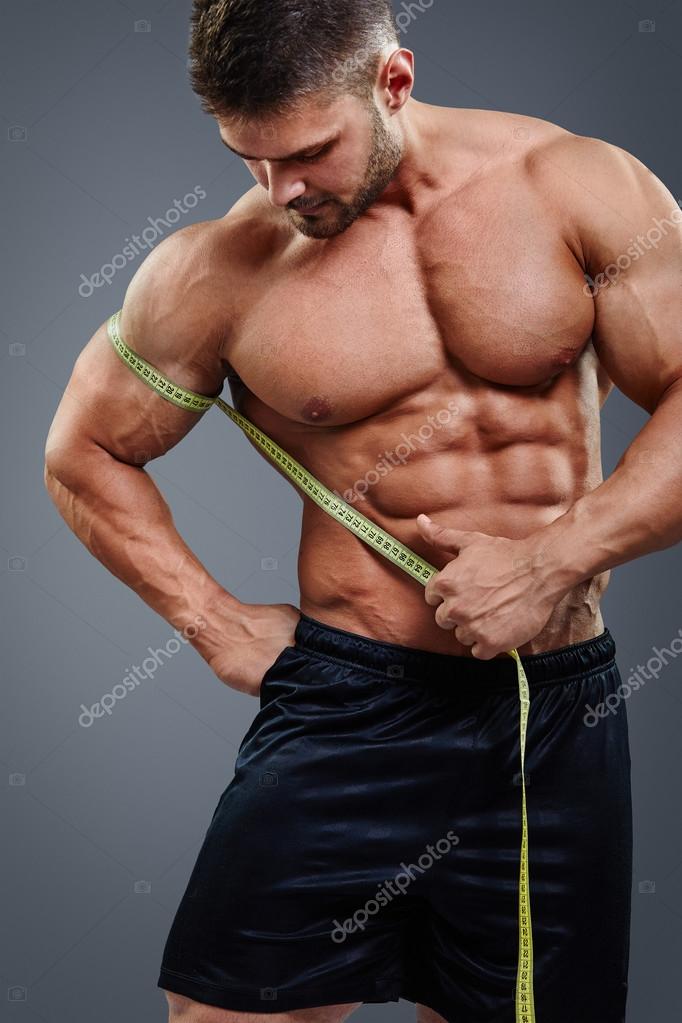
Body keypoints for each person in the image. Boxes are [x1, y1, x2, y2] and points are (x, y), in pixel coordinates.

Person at [44, 1, 682, 1021]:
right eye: (248, 159)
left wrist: (555, 559)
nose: (279, 189)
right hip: (347, 704)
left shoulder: (577, 187)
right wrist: (212, 623)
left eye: (307, 153)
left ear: (393, 80)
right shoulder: (217, 268)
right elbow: (84, 452)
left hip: (544, 706)